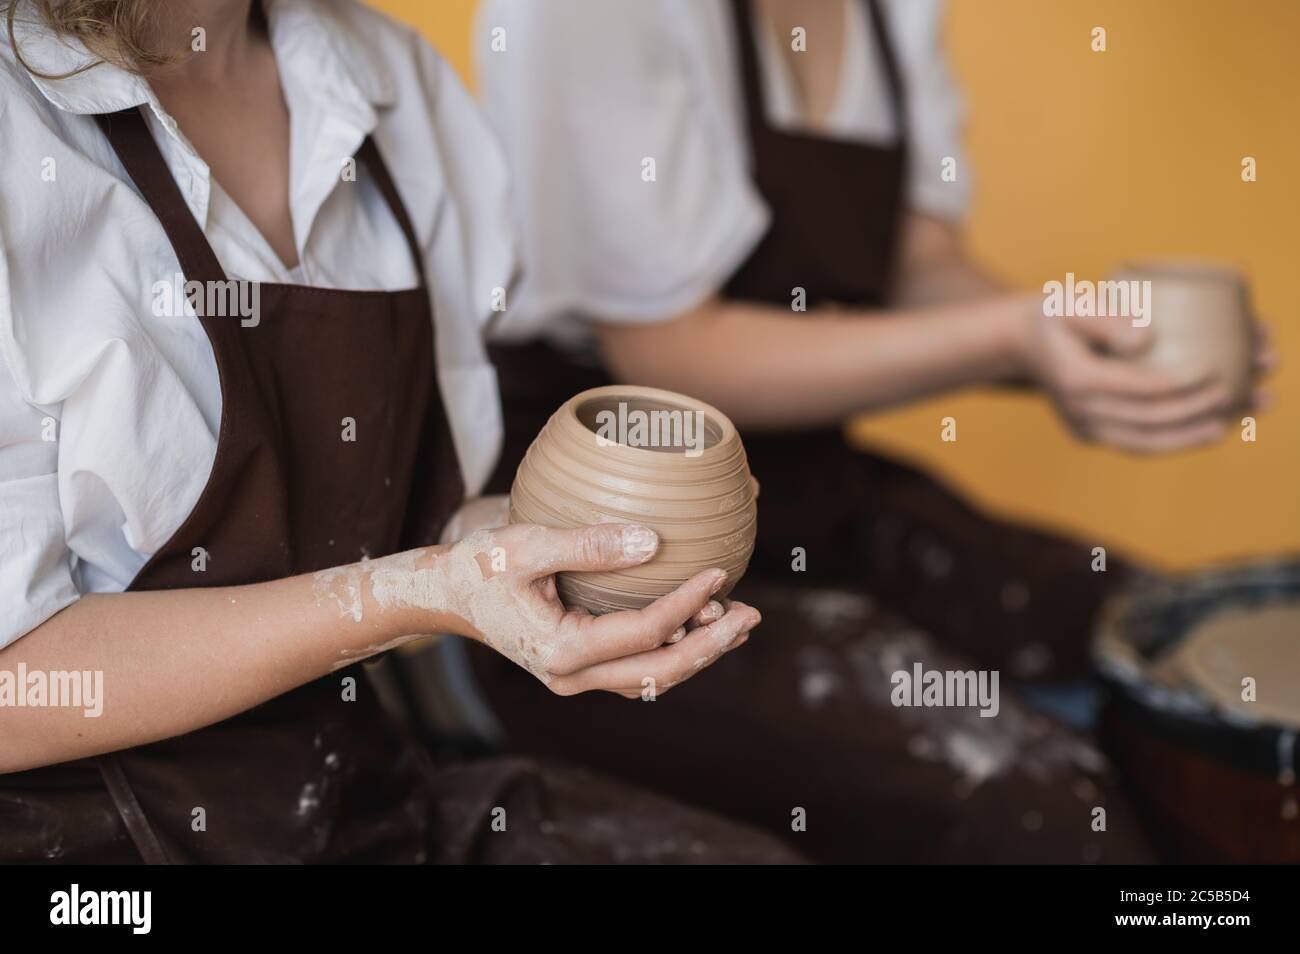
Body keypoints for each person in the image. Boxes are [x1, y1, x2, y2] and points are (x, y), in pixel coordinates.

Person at [463, 0, 1272, 862]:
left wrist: (1082, 343)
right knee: (1030, 803)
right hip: (609, 559)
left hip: (812, 488)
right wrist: (1013, 335)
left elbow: (917, 266)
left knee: (1160, 647)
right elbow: (668, 353)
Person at [0, 0, 803, 864]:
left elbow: (422, 534)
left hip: (345, 793)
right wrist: (421, 593)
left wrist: (570, 551)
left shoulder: (386, 79)